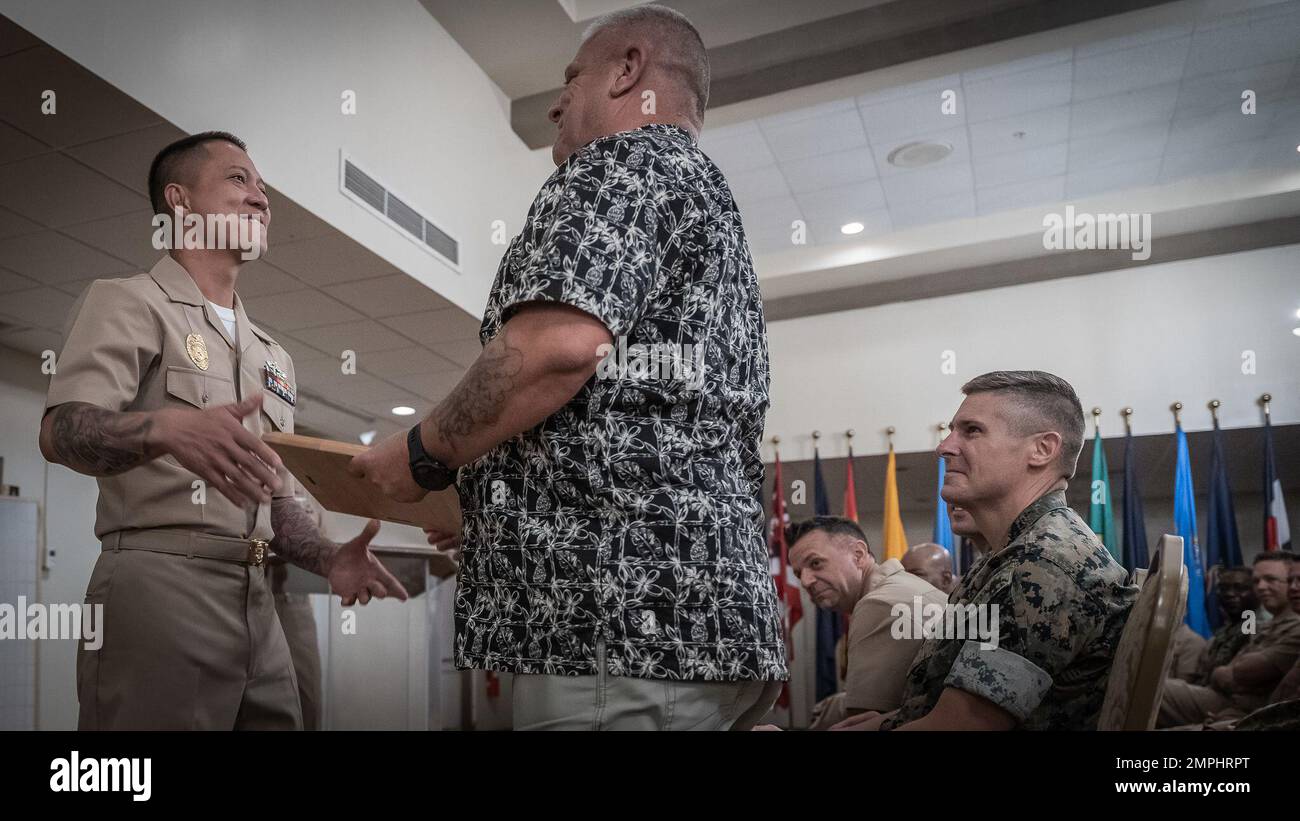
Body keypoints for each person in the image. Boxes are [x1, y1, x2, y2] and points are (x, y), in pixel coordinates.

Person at [351, 5, 784, 730]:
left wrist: (422, 454)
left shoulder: (623, 163)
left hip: (615, 630)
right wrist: (496, 512)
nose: (555, 101)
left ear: (628, 70)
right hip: (698, 625)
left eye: (571, 76)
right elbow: (639, 427)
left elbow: (557, 348)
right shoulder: (702, 192)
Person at [40, 131, 406, 730]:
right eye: (239, 180)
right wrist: (161, 428)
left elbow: (277, 496)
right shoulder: (128, 303)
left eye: (263, 187)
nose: (261, 198)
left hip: (260, 599)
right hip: (160, 587)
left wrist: (330, 557)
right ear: (179, 201)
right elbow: (59, 431)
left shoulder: (273, 357)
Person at [835, 370, 1136, 731]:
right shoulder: (1012, 554)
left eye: (972, 430)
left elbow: (961, 727)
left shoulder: (1042, 564)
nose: (944, 447)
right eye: (952, 430)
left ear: (1042, 449)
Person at [778, 518, 948, 729]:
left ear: (858, 555)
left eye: (815, 563)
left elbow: (863, 722)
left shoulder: (878, 603)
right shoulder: (904, 587)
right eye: (798, 573)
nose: (805, 581)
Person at [1158, 552, 1300, 727]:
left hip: (1245, 708)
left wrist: (1230, 673)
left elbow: (1241, 672)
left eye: (1271, 579)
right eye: (1256, 581)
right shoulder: (1264, 624)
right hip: (1232, 703)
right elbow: (1231, 669)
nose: (1261, 587)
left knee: (1153, 690)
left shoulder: (1275, 624)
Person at [1180, 566, 1256, 685]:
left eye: (1239, 588)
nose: (1229, 594)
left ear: (1255, 591)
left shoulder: (1256, 626)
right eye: (1223, 588)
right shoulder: (1225, 630)